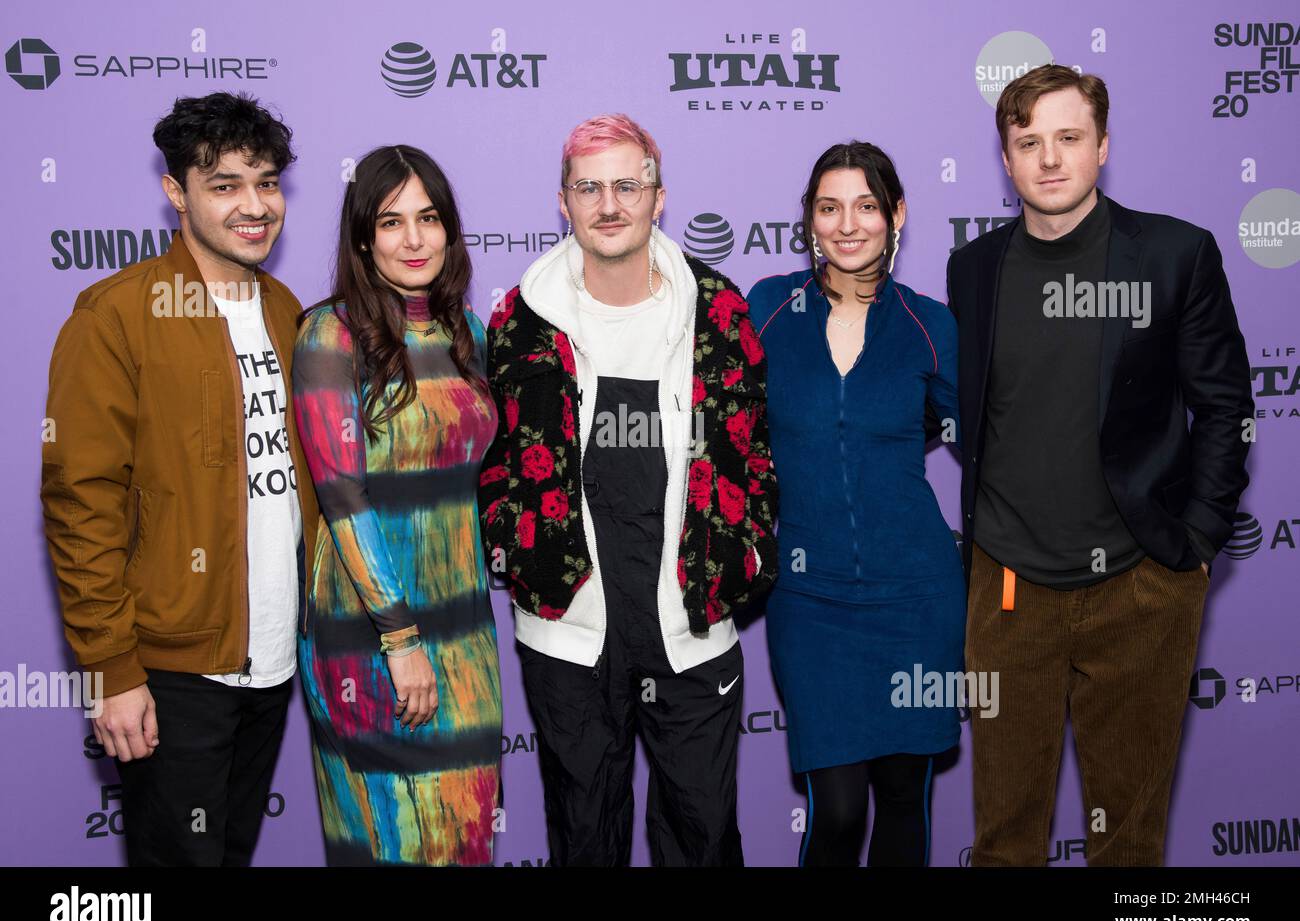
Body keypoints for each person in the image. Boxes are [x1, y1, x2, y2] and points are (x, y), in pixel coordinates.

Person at [947, 65, 1254, 866]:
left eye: (1069, 138)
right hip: (1008, 592)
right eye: (1028, 142)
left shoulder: (1176, 255)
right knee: (1004, 843)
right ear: (1007, 160)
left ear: (1103, 146)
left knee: (1128, 846)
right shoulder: (973, 270)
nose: (1049, 159)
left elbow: (1225, 407)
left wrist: (1196, 544)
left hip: (1143, 588)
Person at [477, 114, 778, 866]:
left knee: (703, 839)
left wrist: (741, 560)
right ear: (563, 202)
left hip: (691, 623)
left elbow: (753, 456)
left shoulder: (718, 310)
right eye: (588, 188)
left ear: (657, 196)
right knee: (585, 840)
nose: (608, 204)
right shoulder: (521, 320)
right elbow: (497, 460)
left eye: (625, 185)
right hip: (570, 632)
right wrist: (517, 550)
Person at [41, 92, 318, 865]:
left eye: (266, 183)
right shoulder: (116, 314)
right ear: (177, 193)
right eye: (225, 185)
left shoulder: (286, 310)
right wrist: (111, 671)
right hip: (171, 668)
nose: (254, 206)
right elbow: (80, 503)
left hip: (273, 657)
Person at [747, 142, 962, 867]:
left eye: (867, 206)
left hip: (917, 596)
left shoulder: (932, 323)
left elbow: (970, 435)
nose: (848, 224)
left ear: (896, 214)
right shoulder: (769, 309)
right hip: (810, 600)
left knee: (905, 801)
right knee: (837, 813)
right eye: (829, 207)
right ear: (809, 218)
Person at [293, 145, 501, 866]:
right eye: (391, 222)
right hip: (372, 631)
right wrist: (401, 637)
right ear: (363, 238)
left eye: (429, 218)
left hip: (466, 623)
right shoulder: (331, 334)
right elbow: (342, 495)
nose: (414, 239)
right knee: (396, 844)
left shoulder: (470, 337)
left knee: (466, 839)